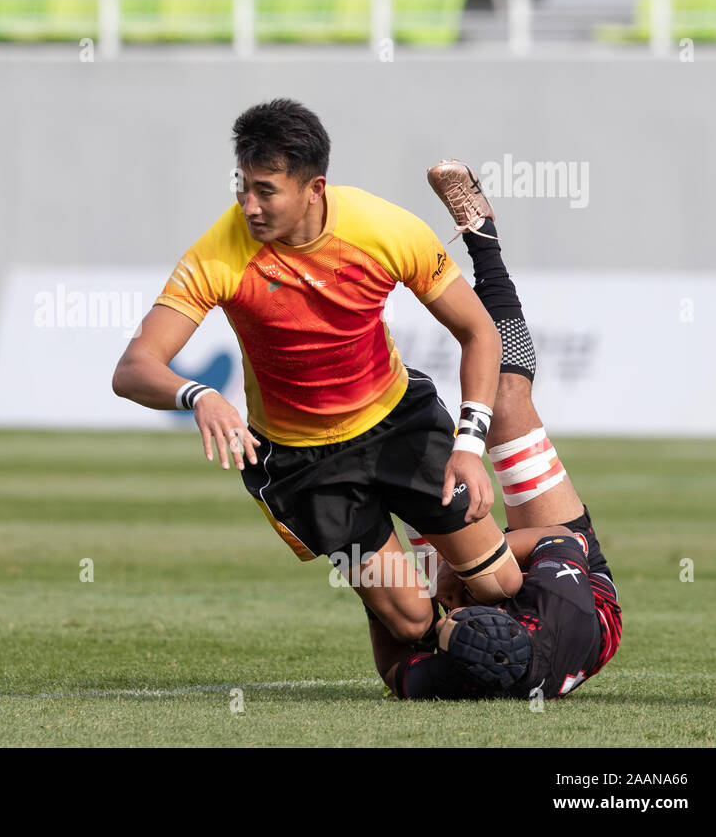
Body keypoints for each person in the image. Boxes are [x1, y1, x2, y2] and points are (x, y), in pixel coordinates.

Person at [112, 100, 519, 660]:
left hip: (399, 423)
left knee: (502, 587)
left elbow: (478, 332)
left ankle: (546, 548)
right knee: (411, 623)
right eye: (242, 188)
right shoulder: (220, 253)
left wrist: (470, 447)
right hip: (304, 463)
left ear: (314, 187)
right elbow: (133, 368)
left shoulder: (385, 230)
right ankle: (396, 592)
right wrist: (197, 394)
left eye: (265, 190)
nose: (249, 206)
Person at [379, 160, 622, 700]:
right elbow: (560, 542)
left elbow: (397, 670)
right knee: (509, 404)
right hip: (573, 586)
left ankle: (358, 330)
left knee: (413, 472)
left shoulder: (451, 675)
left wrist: (397, 610)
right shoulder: (565, 610)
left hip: (492, 626)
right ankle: (483, 237)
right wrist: (467, 561)